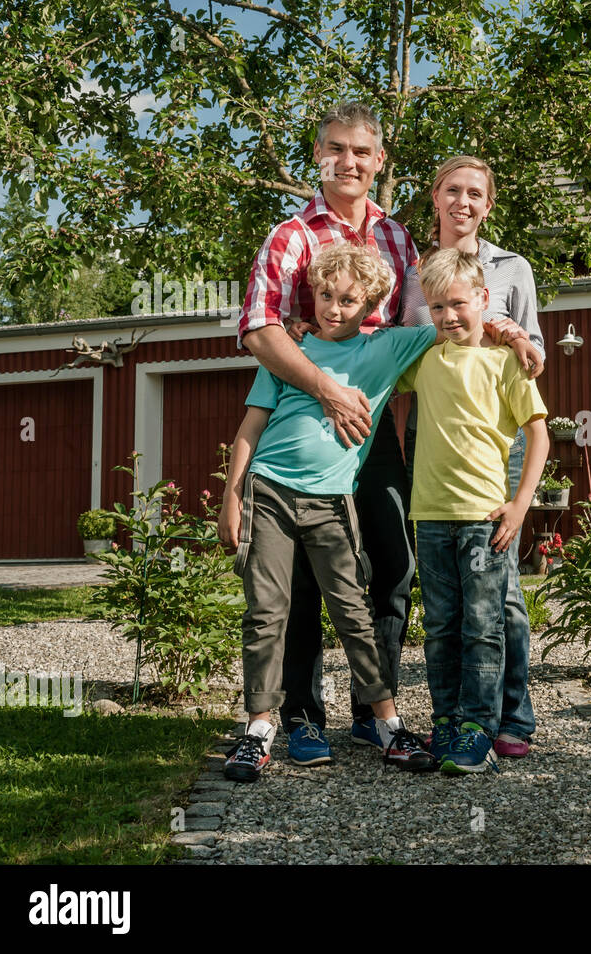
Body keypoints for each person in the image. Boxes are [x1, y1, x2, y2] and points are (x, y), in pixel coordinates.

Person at [237, 102, 540, 766]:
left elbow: (431, 325)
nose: (349, 162)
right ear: (319, 155)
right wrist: (327, 388)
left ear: (379, 162)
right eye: (336, 149)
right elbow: (259, 331)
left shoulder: (397, 240)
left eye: (362, 152)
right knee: (306, 583)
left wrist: (504, 328)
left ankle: (377, 715)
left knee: (393, 567)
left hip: (371, 434)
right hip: (307, 427)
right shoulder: (290, 236)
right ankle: (302, 717)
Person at [220, 244, 443, 781]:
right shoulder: (288, 352)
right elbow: (250, 428)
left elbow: (448, 321)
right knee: (266, 611)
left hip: (331, 501)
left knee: (353, 611)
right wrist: (232, 495)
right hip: (268, 493)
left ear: (370, 303)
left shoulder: (386, 348)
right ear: (312, 294)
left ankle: (388, 724)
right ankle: (258, 729)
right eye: (325, 296)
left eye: (348, 300)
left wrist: (507, 331)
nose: (334, 308)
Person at [400, 156, 546, 758]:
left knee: (500, 598)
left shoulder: (512, 267)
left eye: (476, 194)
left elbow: (532, 352)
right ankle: (458, 717)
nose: (463, 201)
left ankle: (507, 718)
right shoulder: (408, 272)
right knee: (450, 610)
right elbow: (395, 348)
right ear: (434, 197)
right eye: (453, 190)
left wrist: (509, 335)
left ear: (488, 204)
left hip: (494, 444)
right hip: (432, 446)